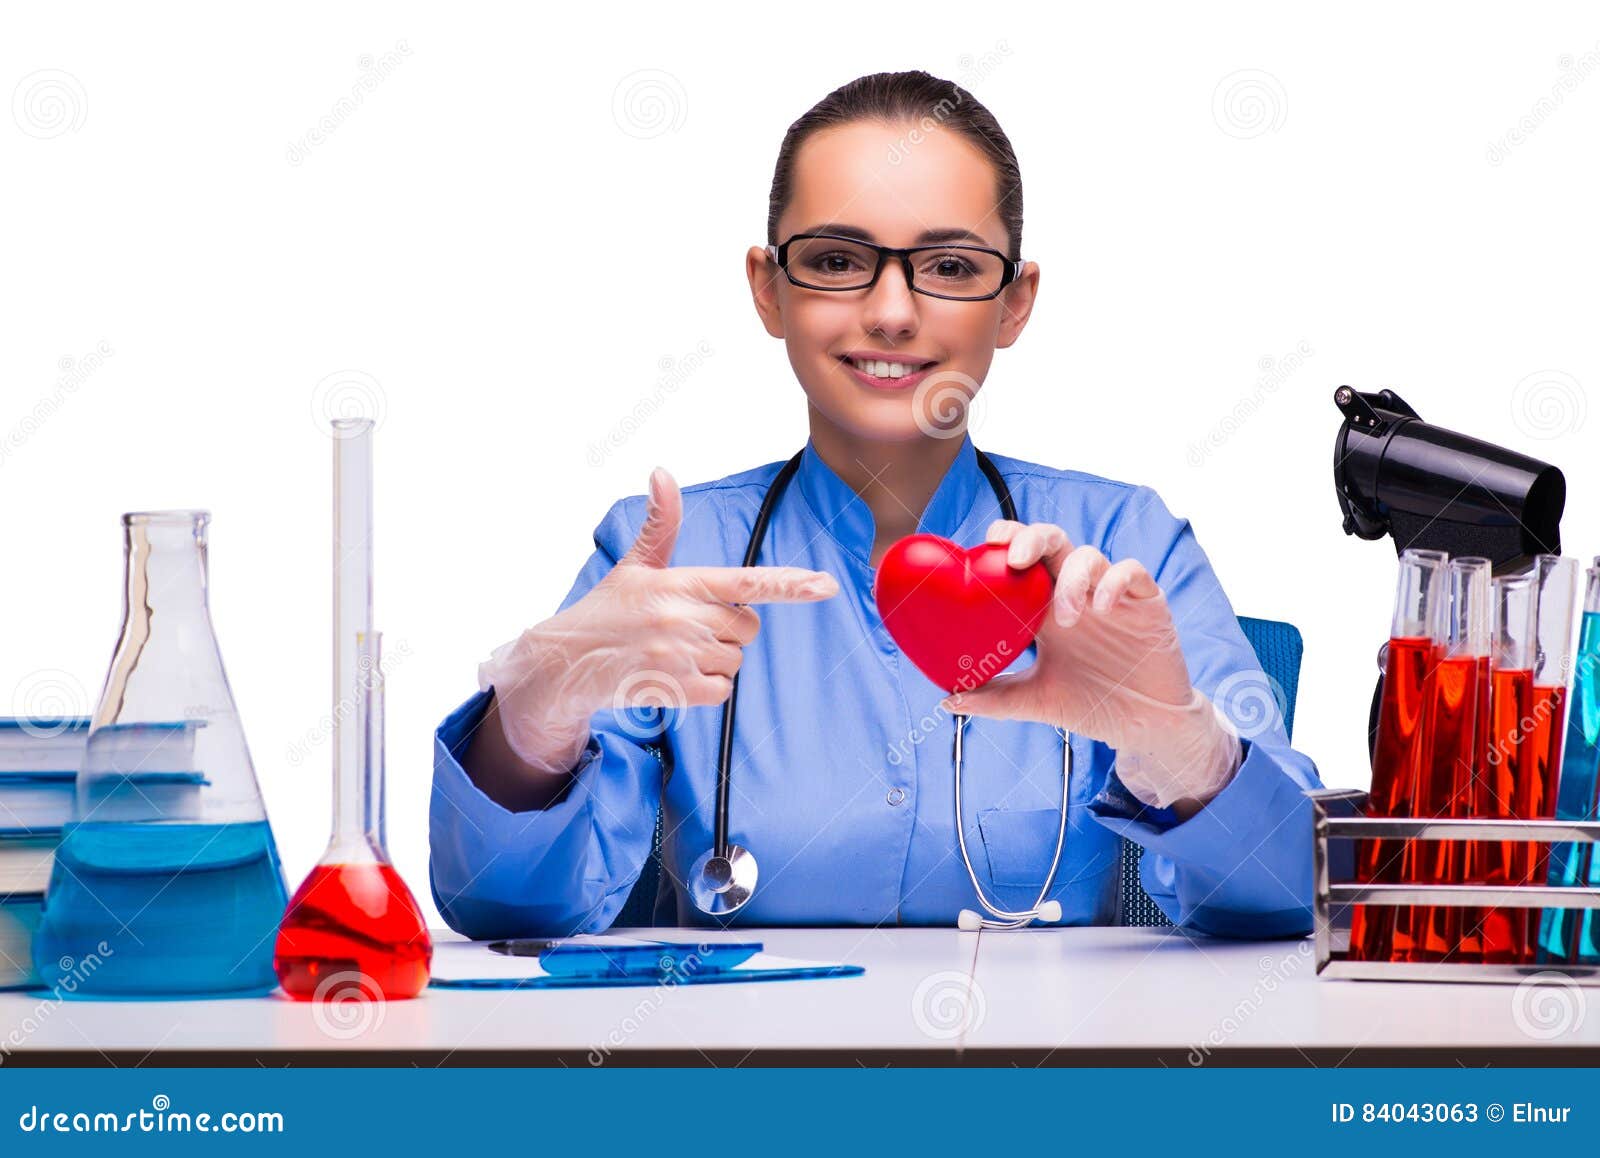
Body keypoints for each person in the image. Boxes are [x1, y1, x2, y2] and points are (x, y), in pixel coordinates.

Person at [429, 70, 1322, 939]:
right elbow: (505, 907)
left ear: (1014, 303)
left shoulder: (1125, 544)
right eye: (837, 261)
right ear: (768, 289)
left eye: (947, 265)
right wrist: (537, 705)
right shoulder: (666, 557)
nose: (892, 312)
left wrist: (1180, 749)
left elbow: (1287, 894)